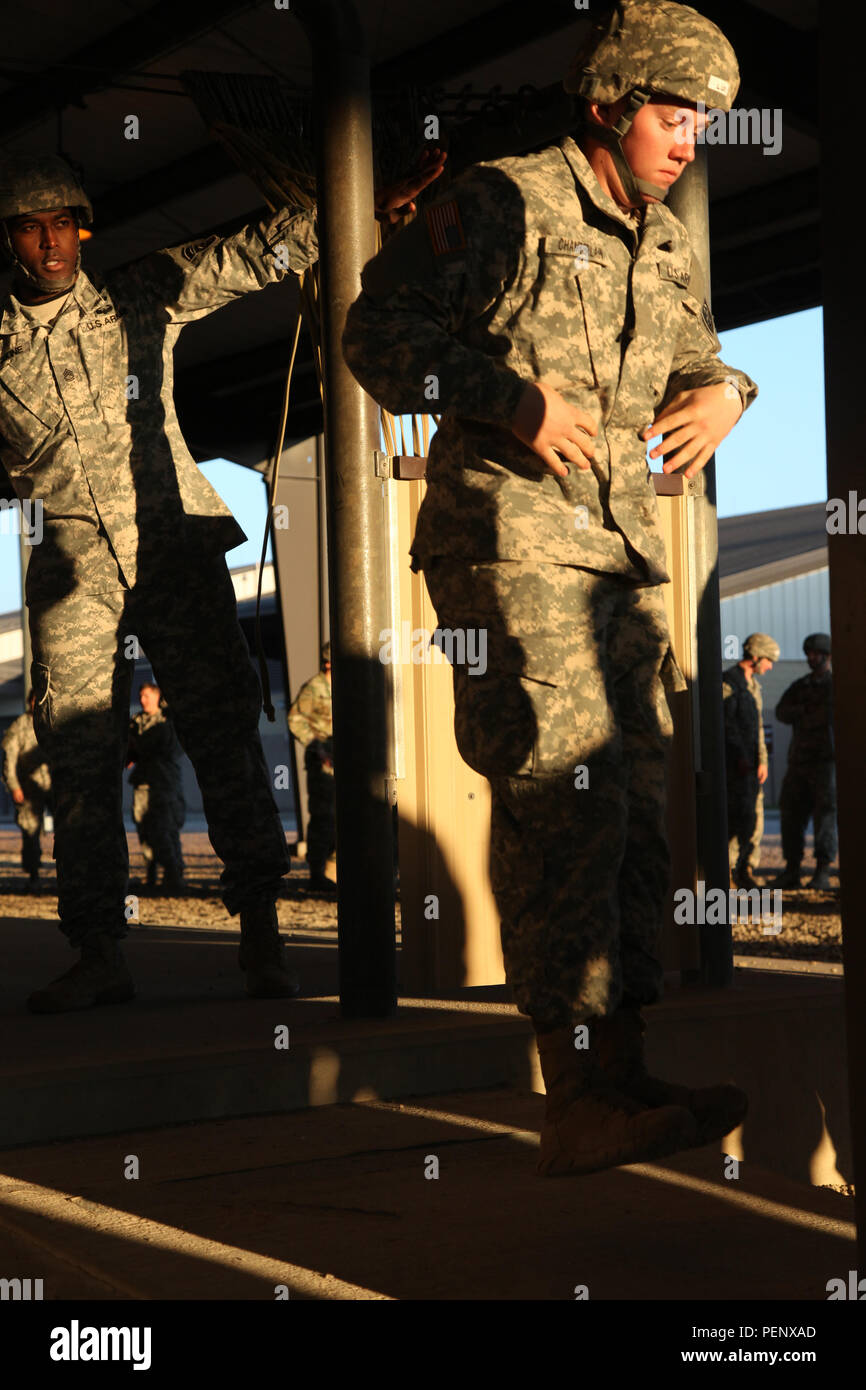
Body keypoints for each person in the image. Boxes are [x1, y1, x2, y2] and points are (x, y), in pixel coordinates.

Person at [344, 0, 758, 1176]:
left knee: (631, 811)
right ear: (607, 104)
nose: (688, 141)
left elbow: (695, 357)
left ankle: (620, 1071)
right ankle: (573, 1090)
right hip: (510, 543)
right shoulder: (502, 202)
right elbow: (377, 335)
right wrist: (510, 400)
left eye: (703, 122)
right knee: (562, 798)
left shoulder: (663, 241)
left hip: (618, 559)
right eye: (672, 115)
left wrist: (728, 391)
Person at [0, 150, 444, 1014]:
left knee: (223, 736)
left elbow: (249, 254)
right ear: (9, 241)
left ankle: (262, 936)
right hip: (71, 568)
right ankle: (98, 953)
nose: (49, 243)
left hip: (175, 546)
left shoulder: (138, 295)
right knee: (79, 756)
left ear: (82, 230)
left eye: (61, 224)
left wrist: (354, 204)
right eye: (29, 228)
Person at [773, 633, 836, 891]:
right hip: (799, 762)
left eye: (816, 653)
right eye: (808, 653)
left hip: (826, 763)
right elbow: (781, 711)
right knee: (790, 814)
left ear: (827, 656)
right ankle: (792, 870)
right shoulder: (801, 686)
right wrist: (802, 711)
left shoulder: (835, 686)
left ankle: (822, 871)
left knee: (825, 818)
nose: (811, 658)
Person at [722, 633, 779, 890]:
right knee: (734, 818)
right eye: (768, 660)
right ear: (754, 656)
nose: (770, 666)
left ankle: (745, 869)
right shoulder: (728, 683)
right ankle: (727, 872)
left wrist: (762, 761)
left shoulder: (754, 686)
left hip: (752, 769)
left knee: (754, 819)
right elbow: (726, 724)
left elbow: (758, 728)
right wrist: (740, 756)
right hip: (734, 768)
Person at [127, 682, 186, 894]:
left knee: (164, 829)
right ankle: (151, 875)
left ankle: (173, 874)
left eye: (147, 696)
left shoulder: (166, 720)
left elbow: (159, 746)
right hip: (142, 782)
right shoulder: (136, 721)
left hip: (163, 782)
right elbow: (129, 750)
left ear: (157, 696)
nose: (143, 700)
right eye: (141, 696)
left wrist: (136, 743)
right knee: (144, 829)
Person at [288, 641, 336, 891]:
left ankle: (333, 871)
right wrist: (317, 746)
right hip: (322, 766)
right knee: (322, 818)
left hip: (344, 763)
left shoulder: (345, 685)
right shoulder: (314, 688)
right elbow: (295, 719)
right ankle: (317, 874)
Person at [1, 689, 51, 889]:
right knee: (30, 830)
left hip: (54, 784)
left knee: (68, 828)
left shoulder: (53, 723)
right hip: (29, 789)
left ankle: (70, 872)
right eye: (34, 701)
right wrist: (14, 787)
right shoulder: (19, 726)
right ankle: (33, 874)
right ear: (30, 702)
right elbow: (9, 760)